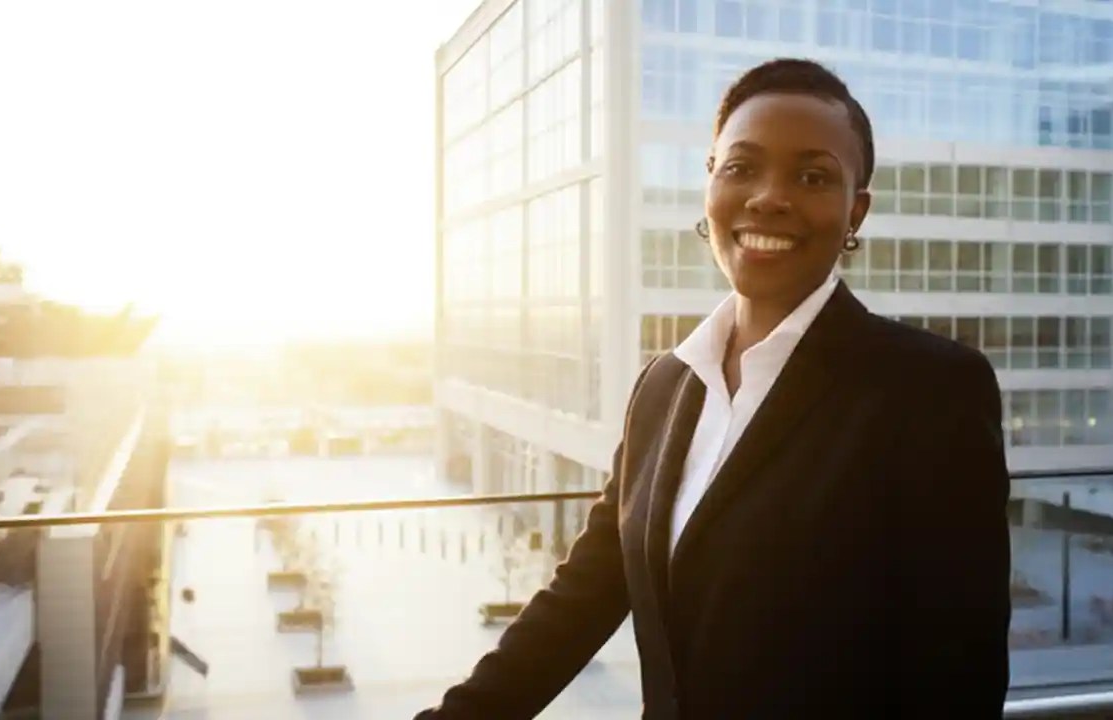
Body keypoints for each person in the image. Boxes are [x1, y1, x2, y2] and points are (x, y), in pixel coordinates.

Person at [416, 57, 1011, 719]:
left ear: (855, 212)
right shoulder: (666, 385)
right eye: (742, 167)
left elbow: (958, 680)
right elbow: (586, 592)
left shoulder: (929, 391)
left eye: (813, 176)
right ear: (710, 183)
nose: (768, 197)